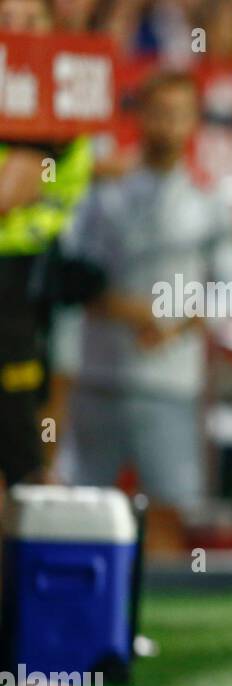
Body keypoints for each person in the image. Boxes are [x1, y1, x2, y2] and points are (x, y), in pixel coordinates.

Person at [60, 70, 232, 555]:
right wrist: (119, 307)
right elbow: (67, 271)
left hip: (168, 384)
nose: (168, 125)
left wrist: (174, 325)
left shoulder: (208, 203)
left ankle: (165, 618)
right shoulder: (104, 194)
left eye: (179, 114)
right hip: (99, 375)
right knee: (85, 510)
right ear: (139, 116)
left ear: (194, 123)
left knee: (168, 510)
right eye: (159, 112)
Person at [0, 0, 93, 502]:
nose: (15, 34)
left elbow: (8, 194)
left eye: (28, 22)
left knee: (21, 460)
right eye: (5, 21)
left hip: (23, 299)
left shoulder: (54, 117)